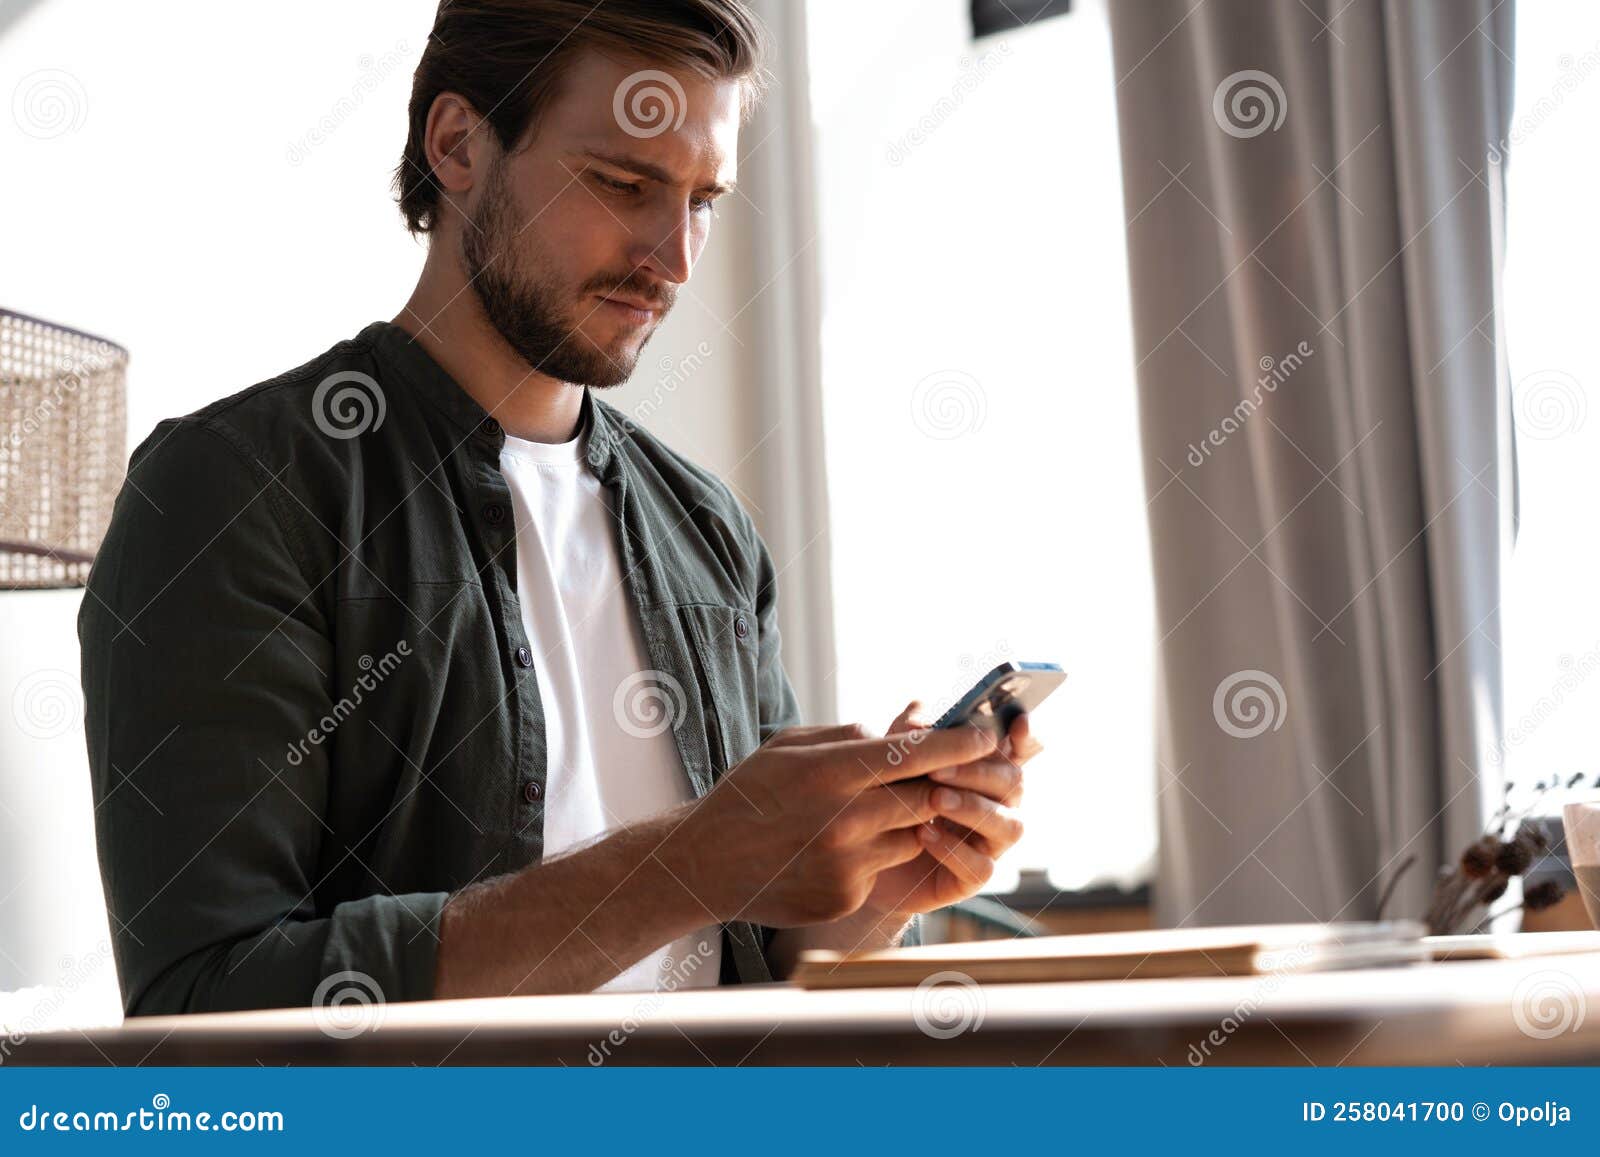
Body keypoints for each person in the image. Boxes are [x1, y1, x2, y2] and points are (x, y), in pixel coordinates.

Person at [78, 0, 1040, 1016]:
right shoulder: (237, 492)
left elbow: (746, 957)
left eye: (703, 198)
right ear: (456, 145)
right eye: (624, 183)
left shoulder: (707, 531)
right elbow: (203, 1006)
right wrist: (680, 865)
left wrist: (865, 903)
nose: (672, 257)